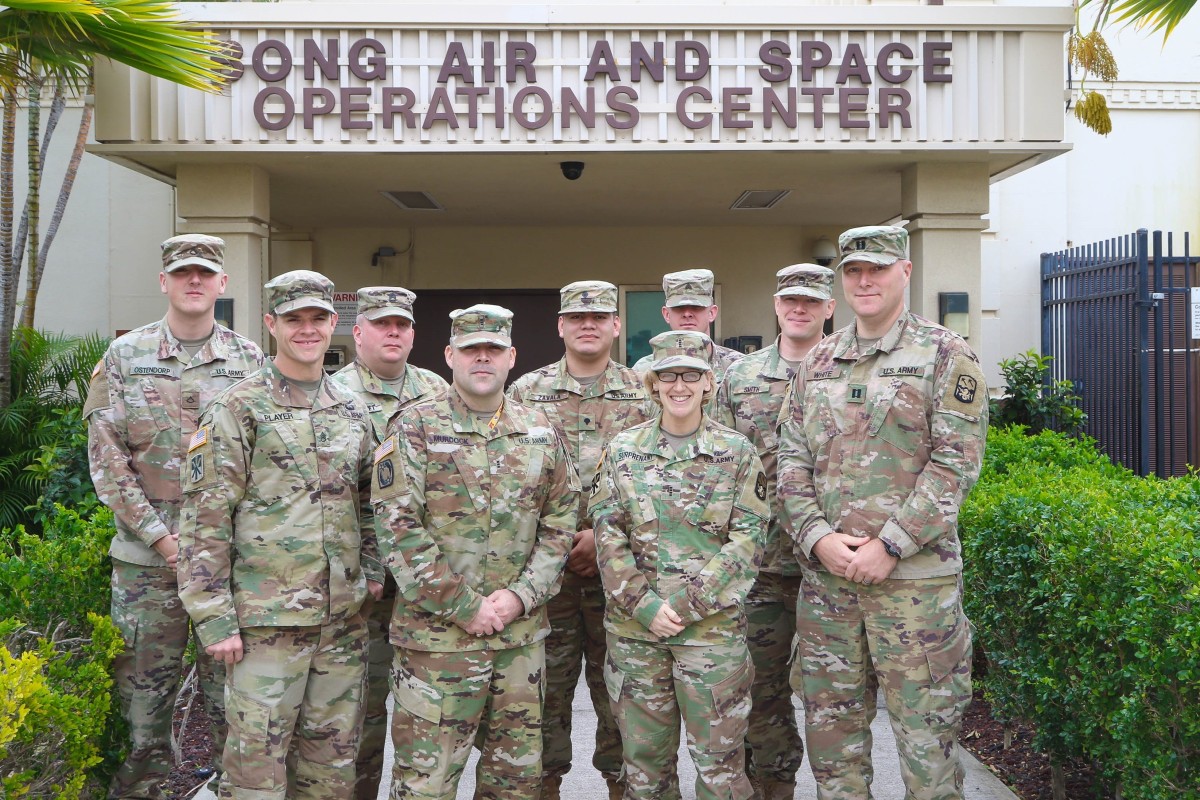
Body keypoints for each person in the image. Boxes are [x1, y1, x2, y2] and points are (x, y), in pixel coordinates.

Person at [777, 226, 988, 800]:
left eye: (877, 269)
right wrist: (817, 537)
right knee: (832, 749)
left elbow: (955, 465)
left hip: (914, 588)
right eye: (853, 271)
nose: (864, 281)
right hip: (829, 587)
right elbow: (791, 461)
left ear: (906, 272)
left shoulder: (946, 353)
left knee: (929, 751)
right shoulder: (819, 359)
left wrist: (891, 544)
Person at [177, 270, 383, 800]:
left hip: (340, 624)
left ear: (336, 323)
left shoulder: (353, 409)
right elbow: (205, 518)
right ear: (271, 324)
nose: (307, 329)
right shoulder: (238, 407)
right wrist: (215, 618)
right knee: (255, 772)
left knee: (332, 770)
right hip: (264, 625)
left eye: (318, 318)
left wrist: (374, 576)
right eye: (294, 319)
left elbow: (372, 505)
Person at [372, 304, 579, 800]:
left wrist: (521, 597)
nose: (481, 359)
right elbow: (397, 526)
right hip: (437, 644)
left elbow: (561, 521)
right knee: (426, 784)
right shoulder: (414, 427)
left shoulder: (541, 429)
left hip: (518, 642)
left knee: (516, 784)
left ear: (512, 356)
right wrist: (464, 606)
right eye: (470, 350)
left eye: (492, 350)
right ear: (449, 355)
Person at [84, 233, 264, 800]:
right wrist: (163, 540)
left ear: (222, 284)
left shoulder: (250, 361)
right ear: (164, 281)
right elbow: (108, 462)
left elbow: (266, 464)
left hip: (227, 567)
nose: (194, 282)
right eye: (183, 273)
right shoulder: (124, 358)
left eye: (205, 274)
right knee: (141, 710)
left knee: (235, 705)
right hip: (145, 567)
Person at [591, 329, 768, 800]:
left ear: (709, 382)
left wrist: (687, 605)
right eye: (668, 376)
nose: (680, 386)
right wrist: (644, 606)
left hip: (710, 636)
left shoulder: (737, 453)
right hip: (636, 634)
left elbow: (748, 540)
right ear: (653, 384)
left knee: (721, 769)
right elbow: (608, 538)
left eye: (691, 375)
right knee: (645, 770)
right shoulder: (622, 451)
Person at [507, 280, 652, 800]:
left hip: (625, 577)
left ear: (616, 325)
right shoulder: (525, 392)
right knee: (542, 698)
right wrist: (568, 537)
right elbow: (514, 478)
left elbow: (656, 479)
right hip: (548, 576)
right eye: (576, 317)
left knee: (624, 698)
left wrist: (604, 537)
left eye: (599, 317)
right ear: (561, 326)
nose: (587, 325)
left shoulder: (645, 392)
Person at [714, 263, 835, 800]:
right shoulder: (738, 378)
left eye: (811, 300)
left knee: (837, 696)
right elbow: (717, 467)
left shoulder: (851, 368)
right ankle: (772, 786)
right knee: (757, 690)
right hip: (759, 568)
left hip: (833, 566)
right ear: (776, 304)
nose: (799, 309)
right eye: (790, 300)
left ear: (830, 307)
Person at [329, 286, 448, 800]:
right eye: (382, 324)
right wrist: (369, 565)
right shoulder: (334, 395)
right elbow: (337, 497)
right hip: (367, 590)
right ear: (359, 333)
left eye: (401, 324)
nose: (393, 333)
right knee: (363, 712)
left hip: (427, 583)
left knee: (431, 714)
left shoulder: (439, 390)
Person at [631, 268, 743, 393]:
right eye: (679, 307)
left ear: (712, 312)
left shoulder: (740, 367)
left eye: (696, 307)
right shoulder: (643, 369)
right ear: (666, 314)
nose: (687, 314)